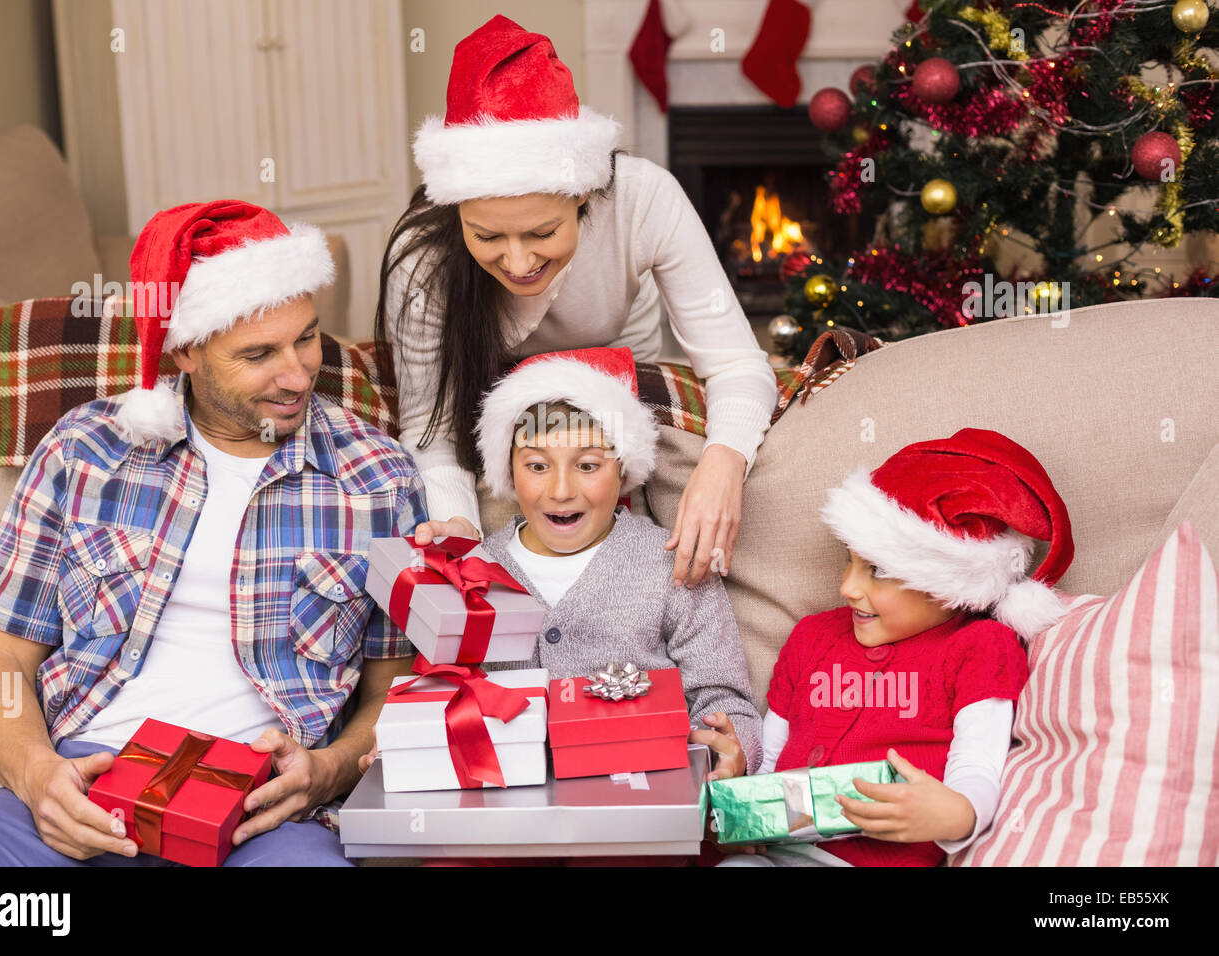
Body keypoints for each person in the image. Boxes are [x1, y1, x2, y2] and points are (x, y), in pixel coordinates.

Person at [0, 200, 428, 867]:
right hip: (82, 782)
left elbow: (398, 685)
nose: (299, 373)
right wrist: (38, 777)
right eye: (259, 354)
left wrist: (331, 770)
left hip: (262, 812)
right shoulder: (85, 451)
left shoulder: (378, 476)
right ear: (184, 349)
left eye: (306, 337)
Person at [378, 14, 780, 589]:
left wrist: (723, 465)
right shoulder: (423, 255)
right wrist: (458, 525)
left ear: (587, 195)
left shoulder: (644, 197)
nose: (517, 263)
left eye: (542, 233)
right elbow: (430, 428)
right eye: (487, 237)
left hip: (622, 368)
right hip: (497, 408)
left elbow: (738, 362)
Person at [720, 428, 1074, 867]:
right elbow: (774, 755)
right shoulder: (813, 636)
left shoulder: (980, 646)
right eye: (848, 560)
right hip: (778, 850)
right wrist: (740, 799)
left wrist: (955, 815)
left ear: (945, 585)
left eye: (877, 570)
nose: (847, 587)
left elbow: (978, 767)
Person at [473, 346, 762, 778]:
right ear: (508, 471)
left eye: (588, 465)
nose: (561, 489)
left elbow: (723, 698)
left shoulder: (672, 563)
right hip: (508, 811)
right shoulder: (476, 569)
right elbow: (441, 692)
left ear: (624, 470)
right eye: (536, 465)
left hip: (639, 803)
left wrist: (734, 747)